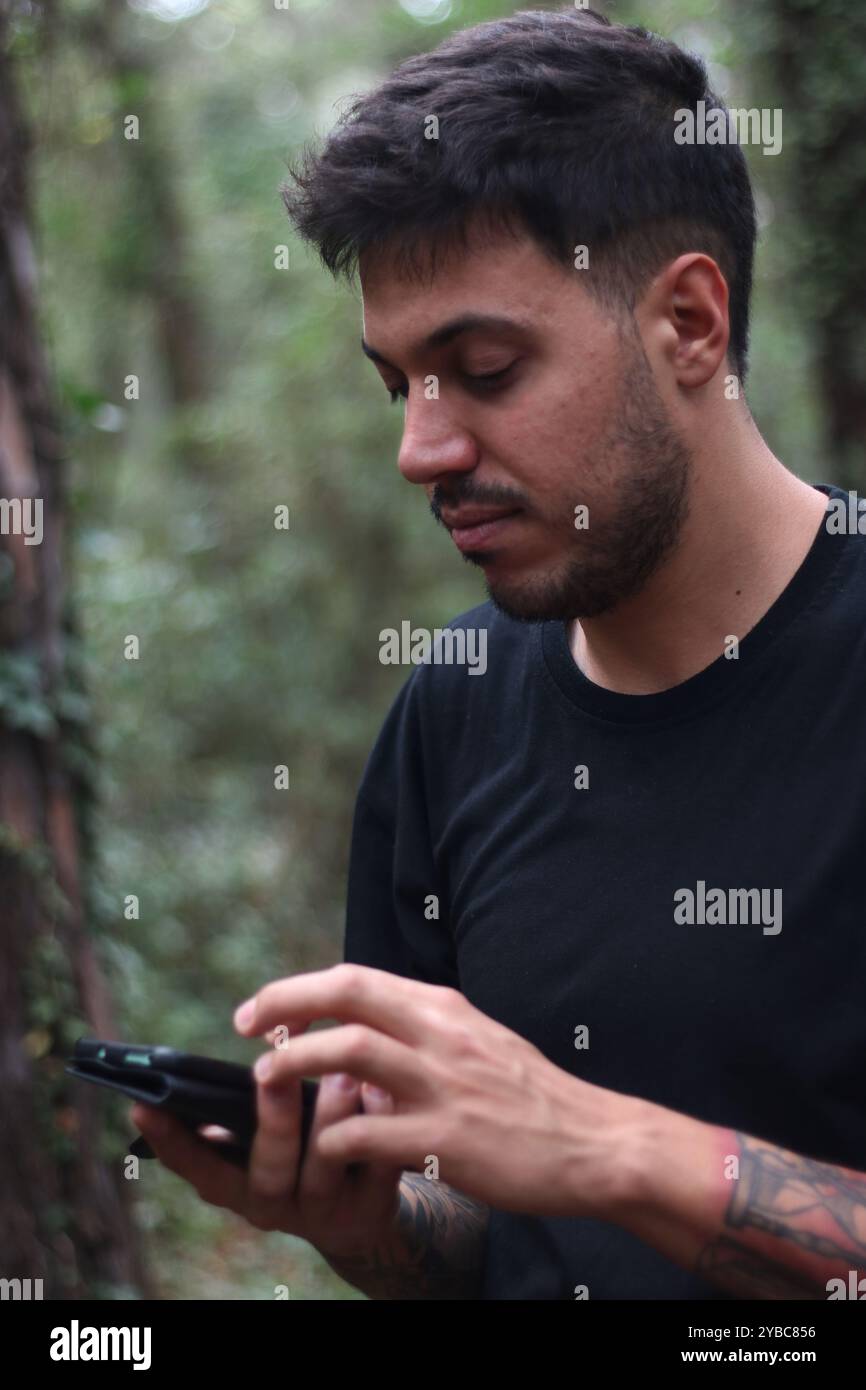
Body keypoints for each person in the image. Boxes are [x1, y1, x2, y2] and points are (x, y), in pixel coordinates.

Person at [134, 6, 866, 1300]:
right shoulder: (454, 708)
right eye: (395, 383)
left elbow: (574, 1161)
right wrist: (359, 1219)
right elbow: (500, 1247)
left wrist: (603, 1144)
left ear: (688, 324)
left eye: (482, 367)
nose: (421, 449)